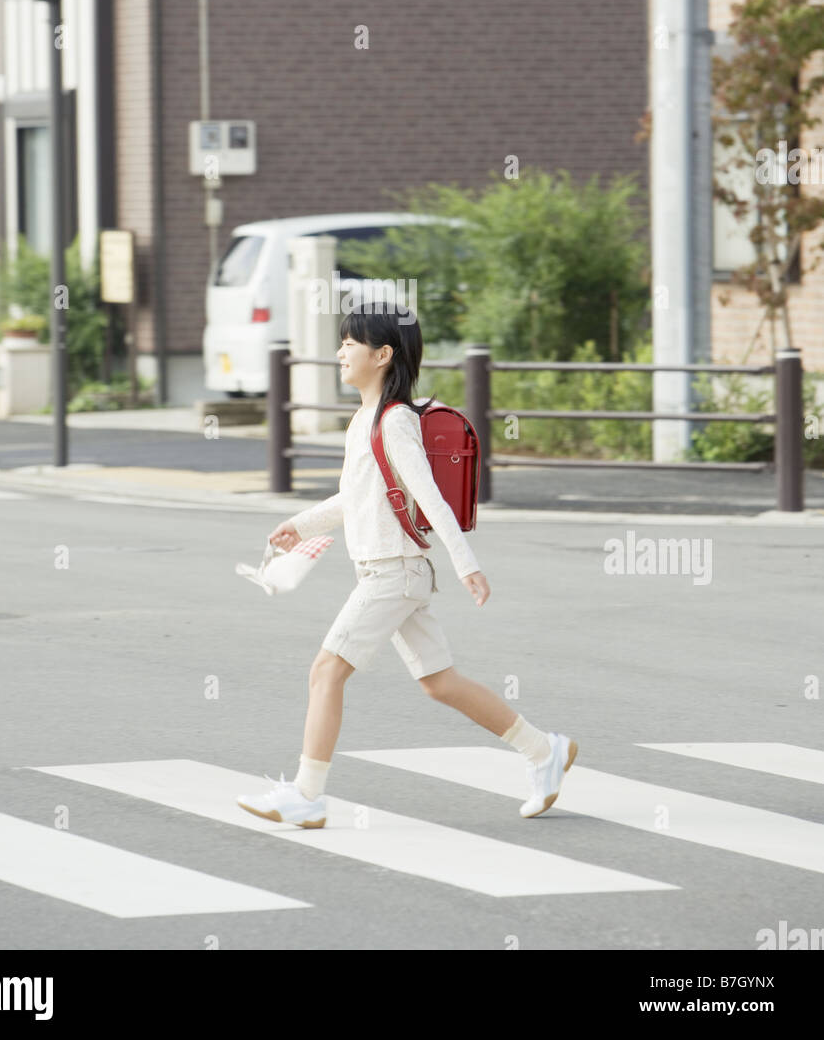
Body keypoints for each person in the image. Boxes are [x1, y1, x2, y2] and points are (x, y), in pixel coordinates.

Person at [236, 305, 577, 828]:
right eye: (342, 342)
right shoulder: (363, 421)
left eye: (351, 343)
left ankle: (308, 794)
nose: (340, 352)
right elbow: (354, 499)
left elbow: (432, 499)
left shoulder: (395, 421)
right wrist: (300, 526)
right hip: (392, 573)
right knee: (439, 683)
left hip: (394, 573)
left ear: (383, 354)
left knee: (326, 671)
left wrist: (467, 565)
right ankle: (542, 750)